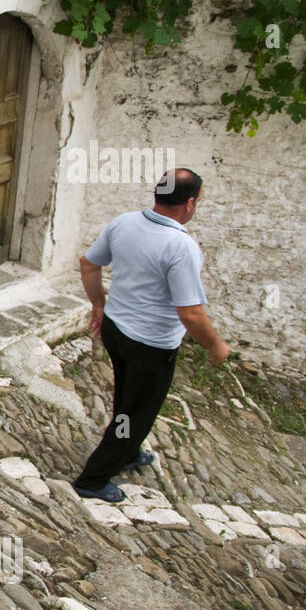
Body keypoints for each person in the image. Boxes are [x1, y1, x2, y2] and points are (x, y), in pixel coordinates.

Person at [73, 168, 230, 503]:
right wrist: (216, 345)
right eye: (197, 202)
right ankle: (94, 478)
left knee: (128, 397)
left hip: (116, 330)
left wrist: (98, 306)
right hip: (151, 345)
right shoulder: (180, 246)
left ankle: (128, 450)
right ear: (189, 204)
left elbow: (88, 264)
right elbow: (190, 312)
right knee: (137, 411)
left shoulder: (125, 222)